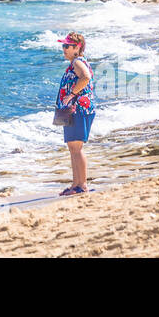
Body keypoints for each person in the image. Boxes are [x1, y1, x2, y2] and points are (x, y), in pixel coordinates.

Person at [54, 32, 96, 196]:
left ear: (77, 48)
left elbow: (85, 77)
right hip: (73, 109)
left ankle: (82, 185)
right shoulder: (75, 62)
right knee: (73, 147)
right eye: (63, 46)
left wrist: (72, 93)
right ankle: (75, 184)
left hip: (79, 109)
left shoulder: (78, 62)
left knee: (76, 147)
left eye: (67, 46)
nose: (63, 49)